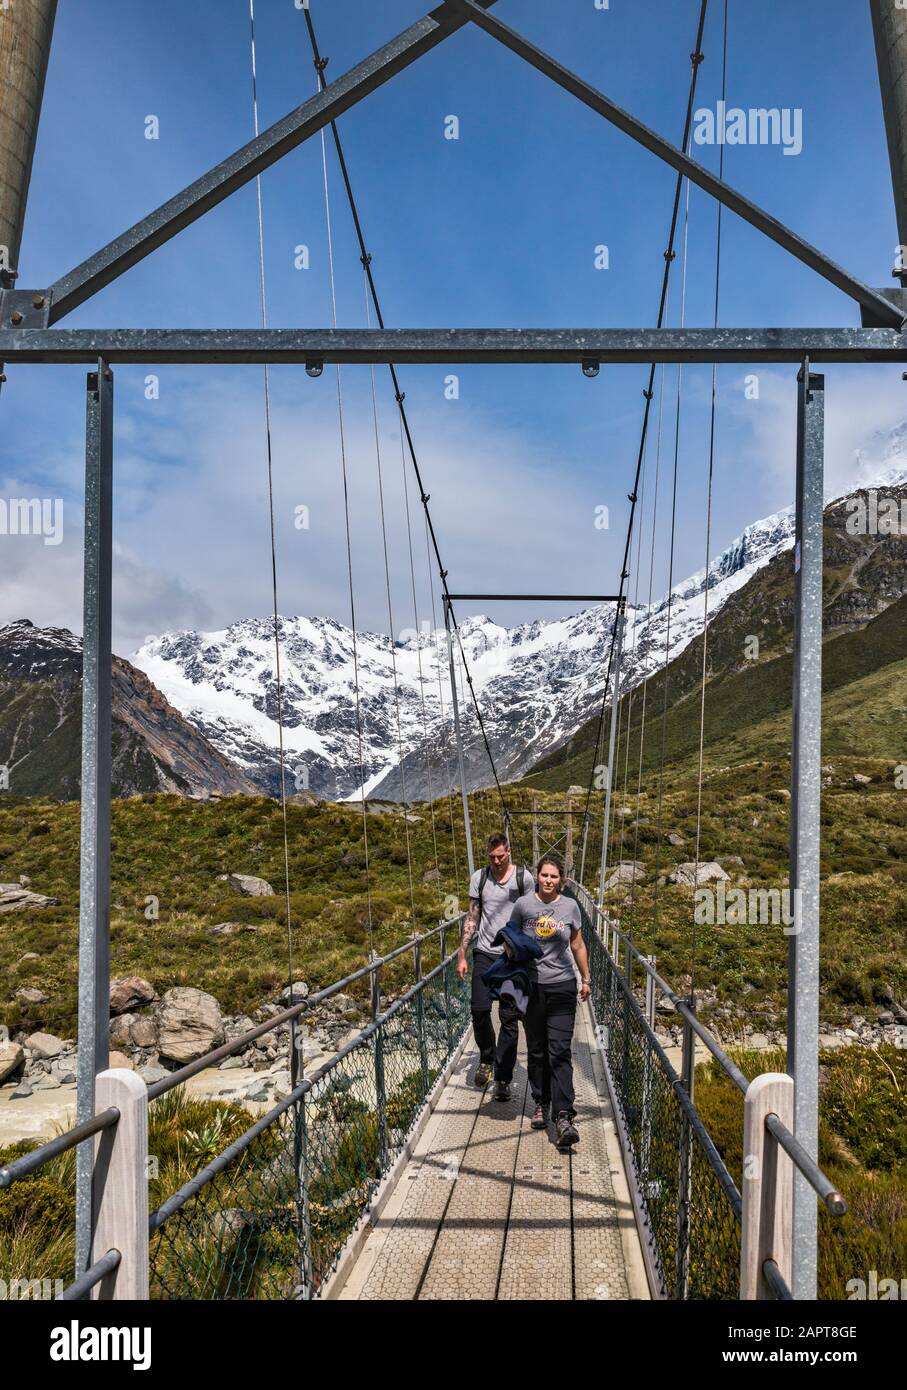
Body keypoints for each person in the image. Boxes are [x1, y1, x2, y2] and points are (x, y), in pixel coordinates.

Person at [507, 852, 591, 1150]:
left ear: (561, 880)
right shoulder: (522, 906)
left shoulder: (570, 907)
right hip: (531, 988)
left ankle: (564, 1114)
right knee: (538, 1050)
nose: (549, 880)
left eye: (554, 876)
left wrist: (586, 977)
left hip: (562, 987)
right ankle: (541, 1101)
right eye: (544, 875)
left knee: (559, 1050)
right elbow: (510, 940)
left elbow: (577, 943)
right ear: (537, 876)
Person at [457, 832, 532, 1099]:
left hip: (513, 958)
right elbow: (472, 917)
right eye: (492, 857)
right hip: (486, 953)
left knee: (509, 1019)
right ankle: (487, 1058)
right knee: (478, 1010)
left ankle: (503, 1078)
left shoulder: (524, 879)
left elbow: (532, 915)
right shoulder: (479, 878)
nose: (496, 861)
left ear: (509, 851)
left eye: (500, 856)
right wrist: (462, 953)